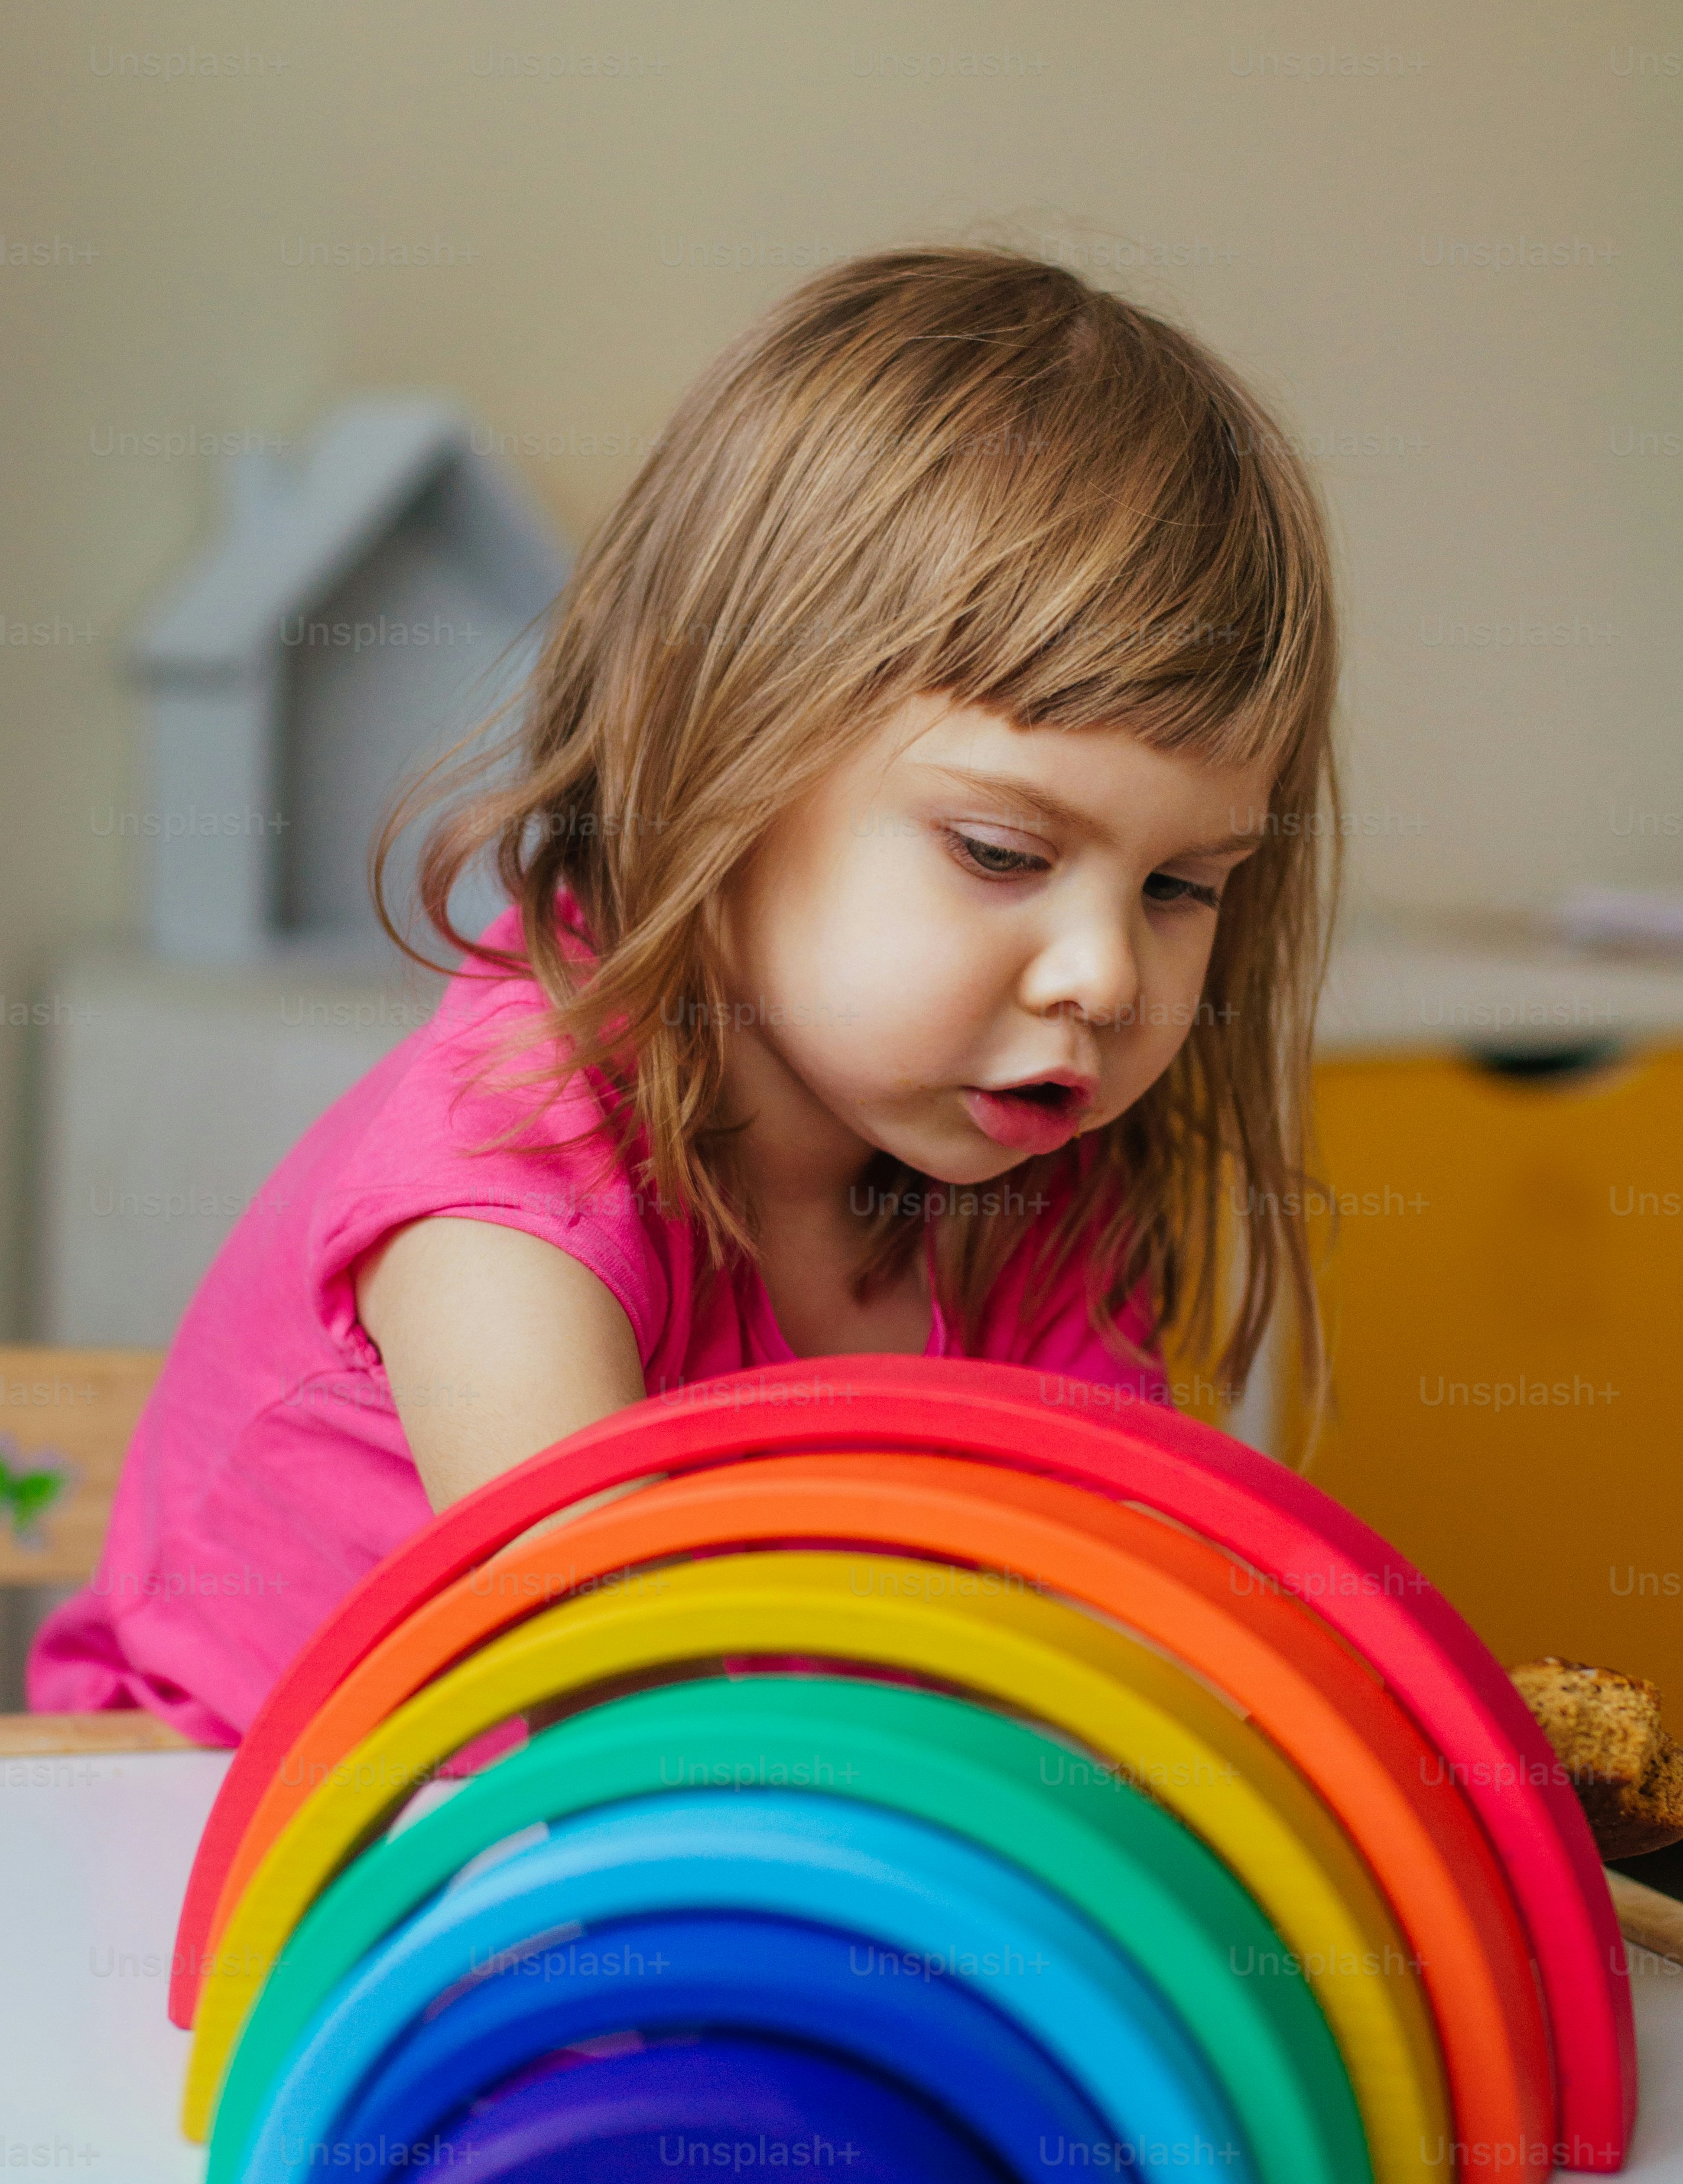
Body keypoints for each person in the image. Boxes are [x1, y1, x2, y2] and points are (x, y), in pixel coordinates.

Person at [28, 246, 1338, 1743]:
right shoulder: (507, 1182)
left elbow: (1111, 1628)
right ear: (710, 757)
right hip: (222, 1829)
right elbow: (612, 1715)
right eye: (999, 851)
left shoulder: (1033, 1190)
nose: (1105, 977)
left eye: (1180, 888)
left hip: (707, 1854)